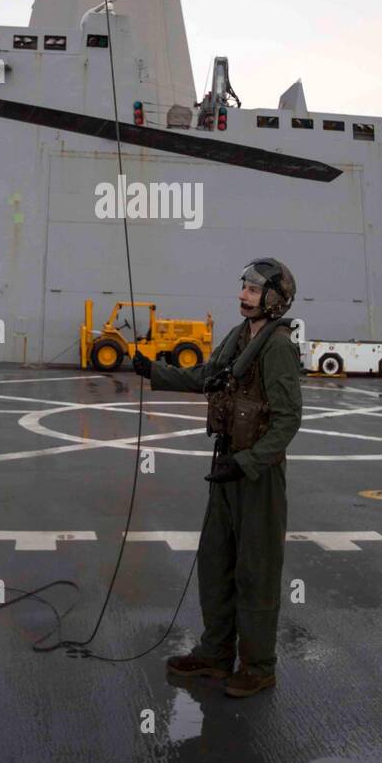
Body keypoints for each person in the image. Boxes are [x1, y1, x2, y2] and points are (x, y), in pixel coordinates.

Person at [133, 258, 302, 698]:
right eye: (243, 287)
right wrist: (154, 370)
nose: (243, 295)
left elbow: (287, 420)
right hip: (227, 466)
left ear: (274, 298)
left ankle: (259, 665)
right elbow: (209, 377)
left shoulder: (278, 347)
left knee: (256, 570)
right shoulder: (238, 336)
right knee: (215, 562)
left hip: (256, 475)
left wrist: (246, 463)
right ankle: (215, 652)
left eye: (252, 289)